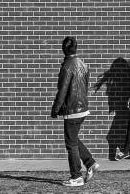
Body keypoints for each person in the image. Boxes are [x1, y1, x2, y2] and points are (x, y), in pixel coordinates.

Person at [51, 36, 100, 187]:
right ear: (76, 48)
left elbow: (63, 90)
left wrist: (55, 108)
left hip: (72, 109)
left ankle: (76, 176)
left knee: (70, 143)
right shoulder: (83, 64)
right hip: (83, 108)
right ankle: (90, 162)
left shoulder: (67, 66)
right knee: (73, 139)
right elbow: (85, 87)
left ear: (63, 49)